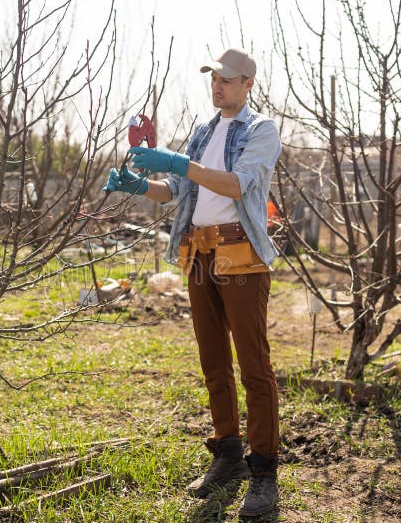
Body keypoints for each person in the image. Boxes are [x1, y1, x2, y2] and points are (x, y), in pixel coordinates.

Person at [103, 47, 281, 516]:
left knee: (254, 366)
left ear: (247, 84)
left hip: (241, 257)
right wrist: (139, 186)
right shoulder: (204, 130)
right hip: (200, 253)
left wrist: (180, 163)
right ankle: (228, 454)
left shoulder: (261, 130)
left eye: (226, 79)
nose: (216, 86)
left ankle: (264, 472)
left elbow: (238, 184)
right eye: (213, 78)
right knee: (213, 361)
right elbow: (178, 190)